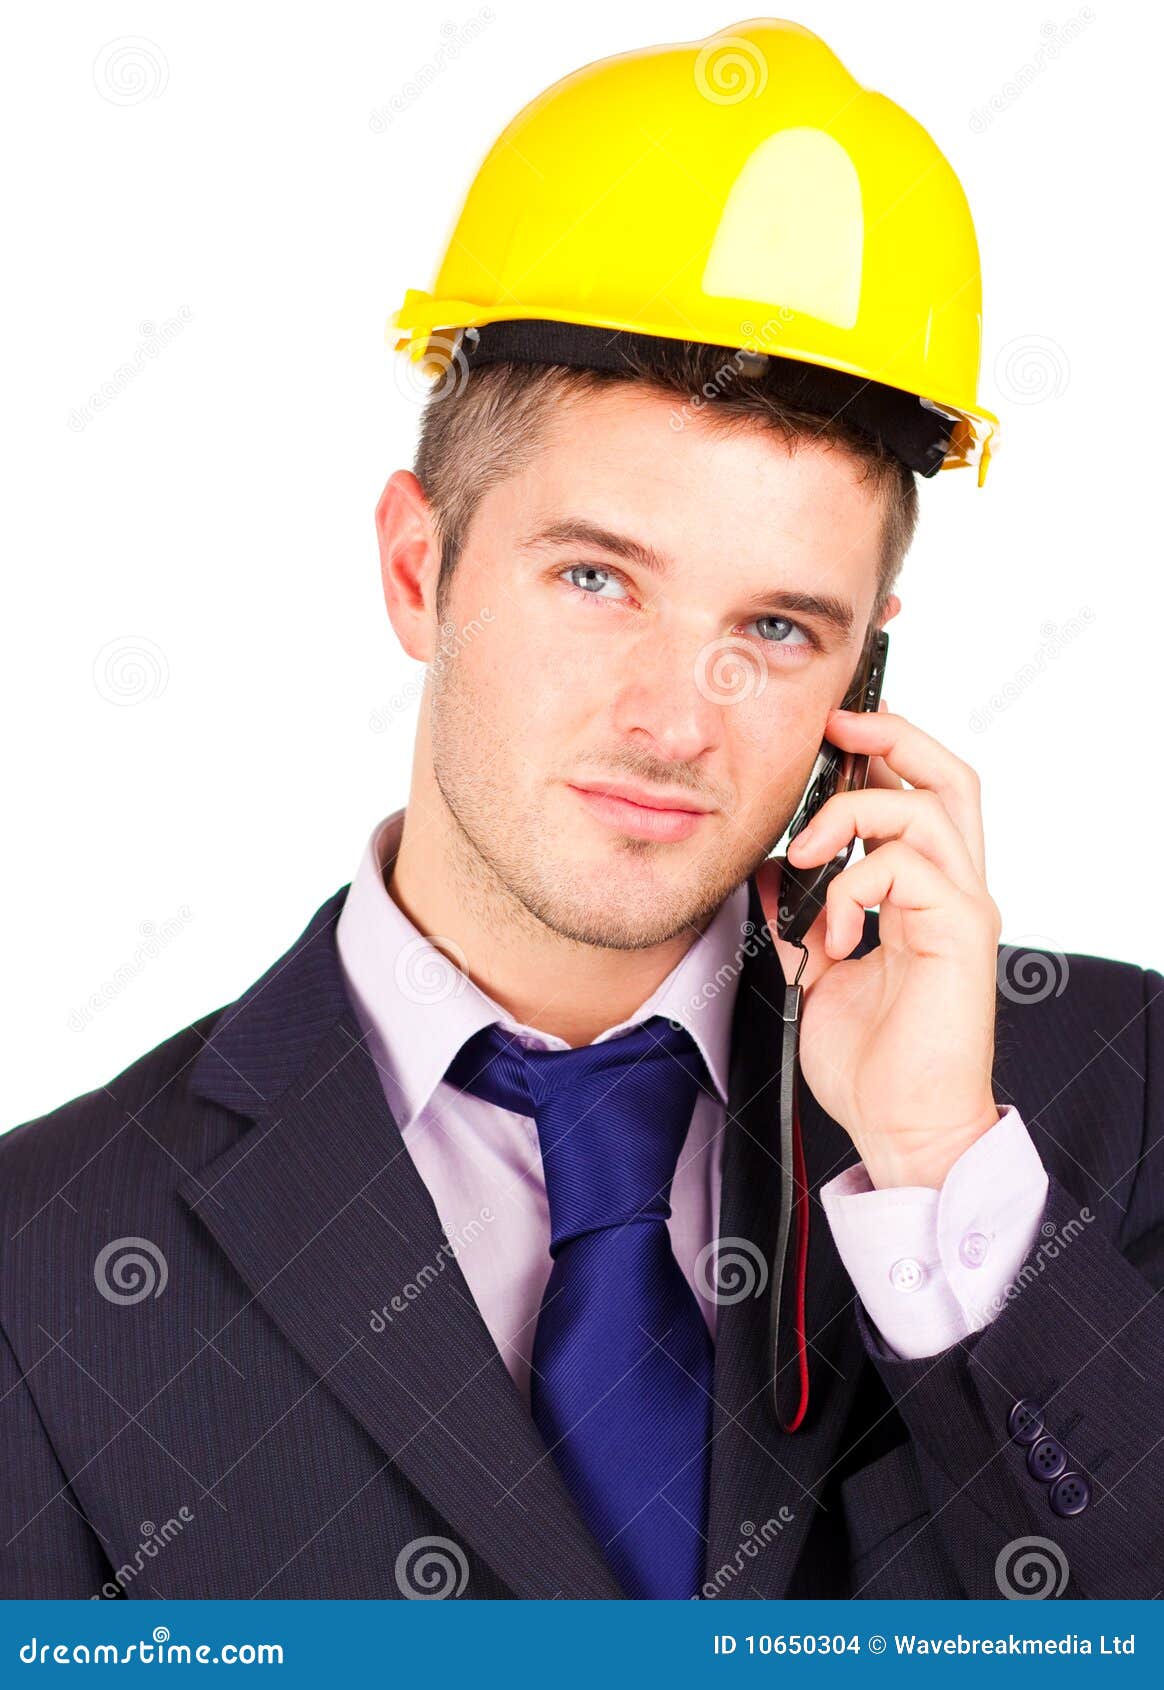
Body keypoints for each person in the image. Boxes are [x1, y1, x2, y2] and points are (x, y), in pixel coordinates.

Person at [3, 19, 1162, 1603]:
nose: (676, 721)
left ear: (864, 674)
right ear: (419, 569)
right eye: (598, 578)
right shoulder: (49, 1259)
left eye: (777, 627)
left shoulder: (1108, 1103)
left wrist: (937, 1165)